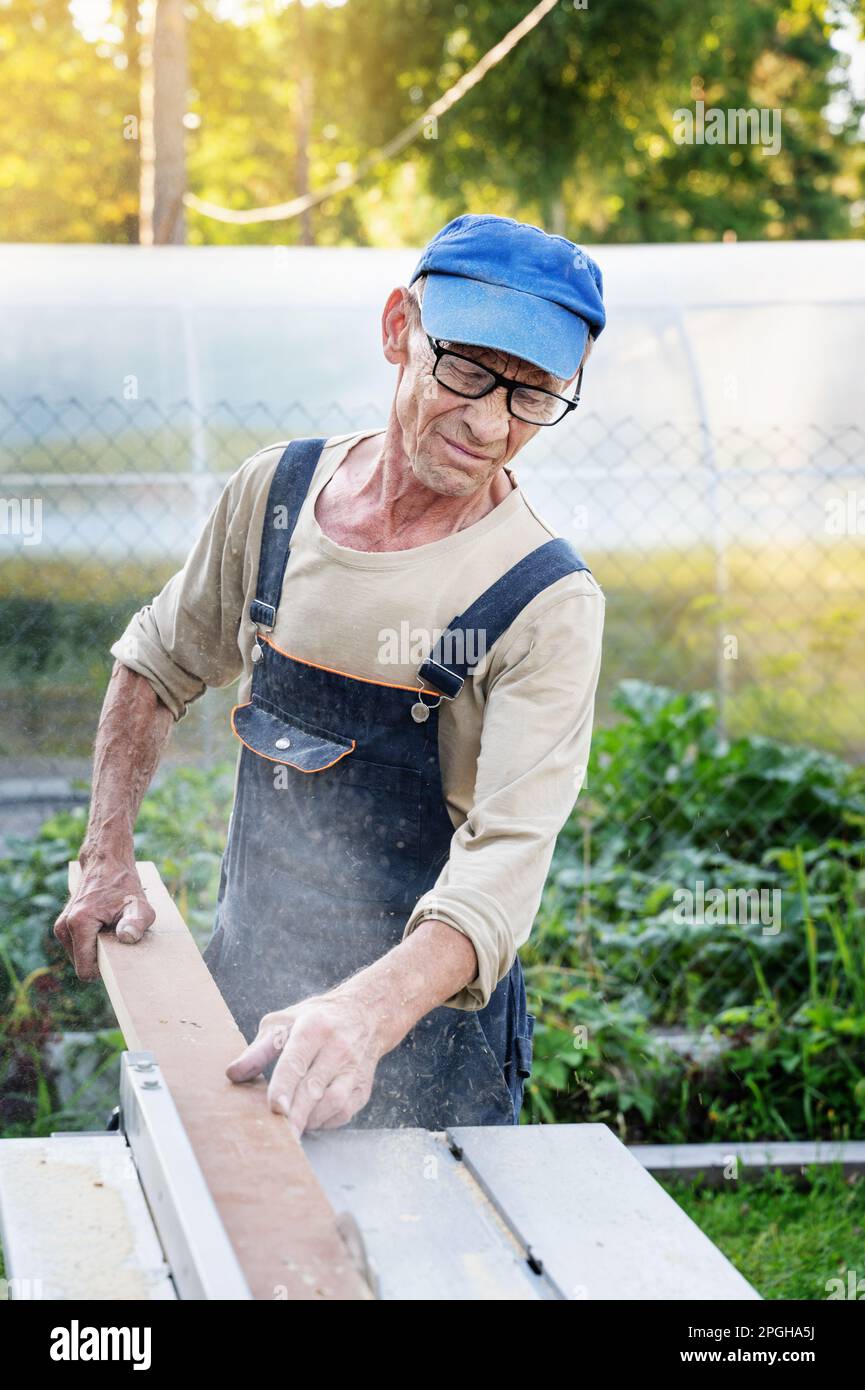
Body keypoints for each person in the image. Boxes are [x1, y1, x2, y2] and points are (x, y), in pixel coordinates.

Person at [54, 213, 607, 1136]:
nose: (487, 422)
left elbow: (503, 867)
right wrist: (105, 854)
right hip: (248, 982)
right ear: (398, 328)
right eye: (466, 369)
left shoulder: (543, 599)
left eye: (530, 395)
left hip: (425, 1039)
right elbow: (157, 662)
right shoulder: (276, 499)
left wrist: (361, 1015)